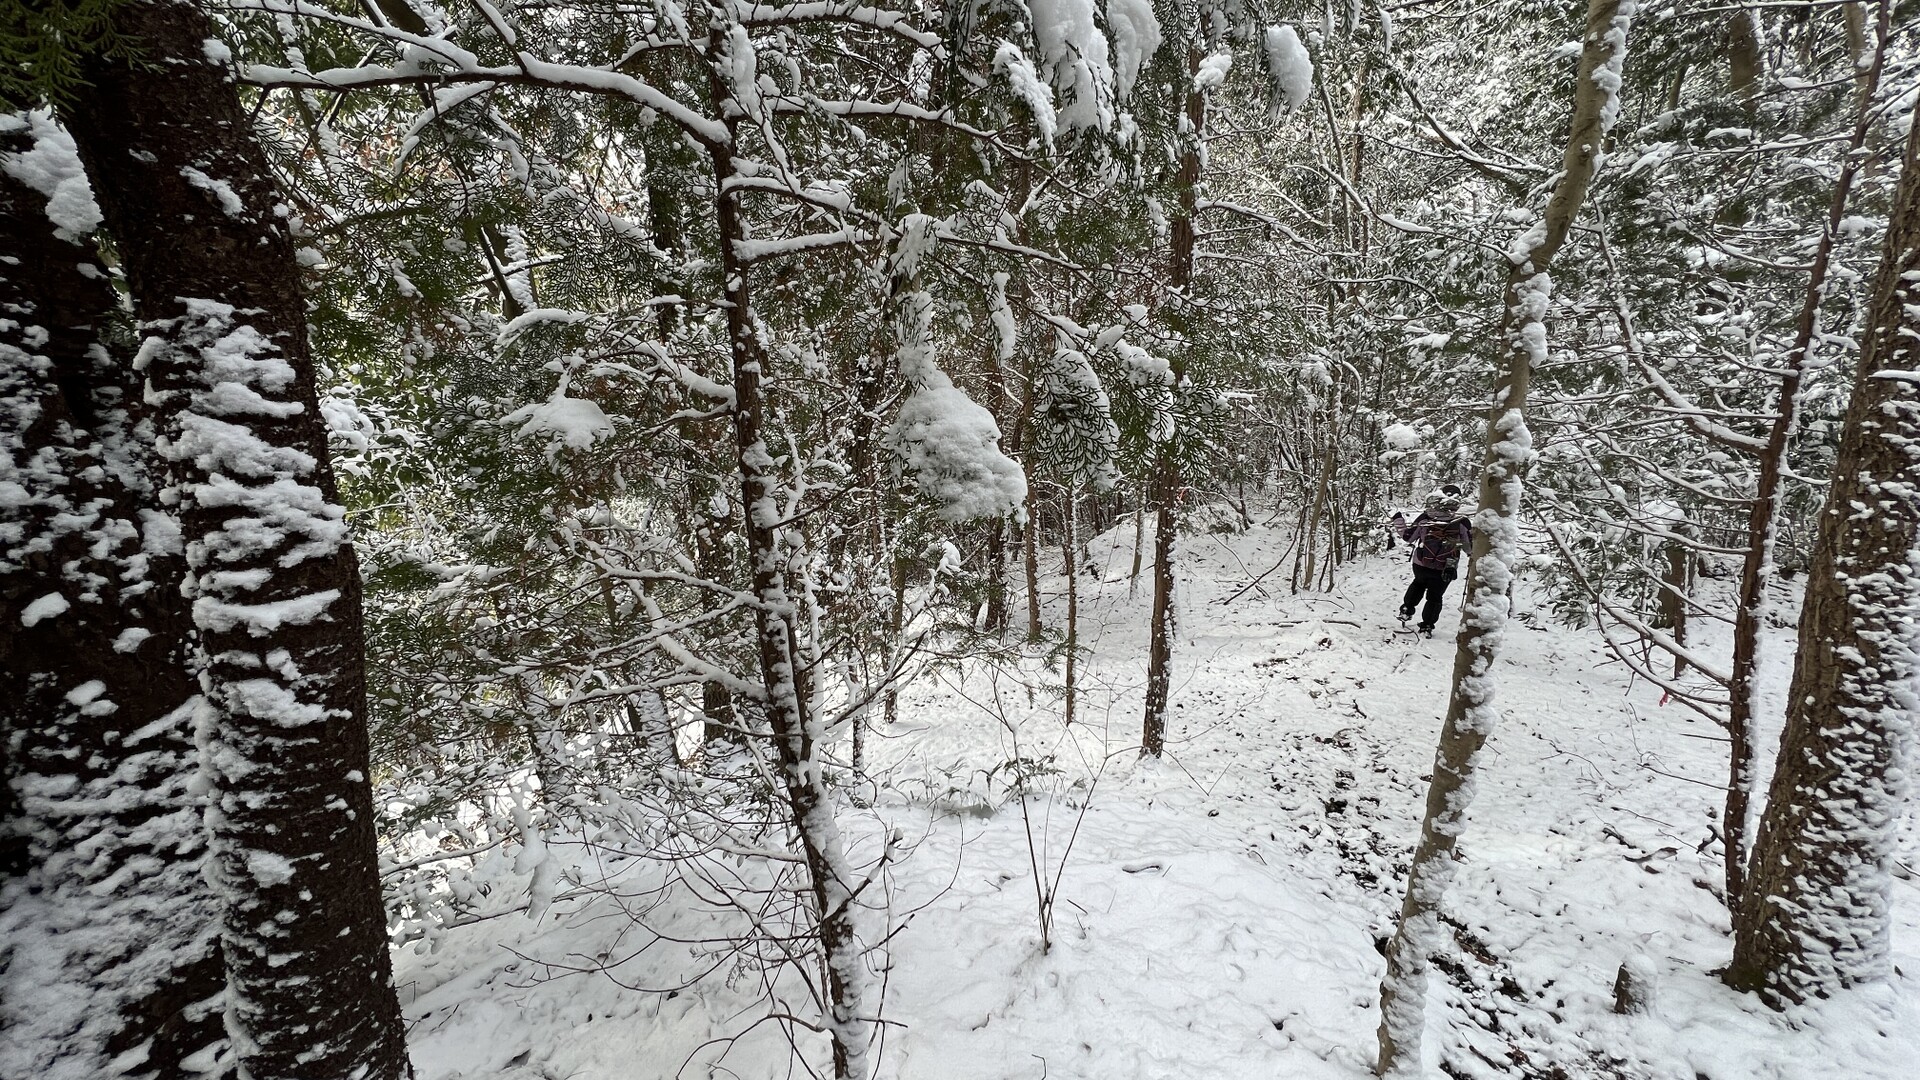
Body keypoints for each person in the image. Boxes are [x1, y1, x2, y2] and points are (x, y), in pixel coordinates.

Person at [1390, 490, 1472, 635]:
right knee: (1435, 596)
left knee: (1418, 584)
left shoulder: (1426, 517)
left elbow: (1408, 537)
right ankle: (1427, 626)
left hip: (1421, 563)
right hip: (1446, 567)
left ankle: (1406, 610)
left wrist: (1398, 520)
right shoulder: (1462, 521)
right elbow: (1469, 548)